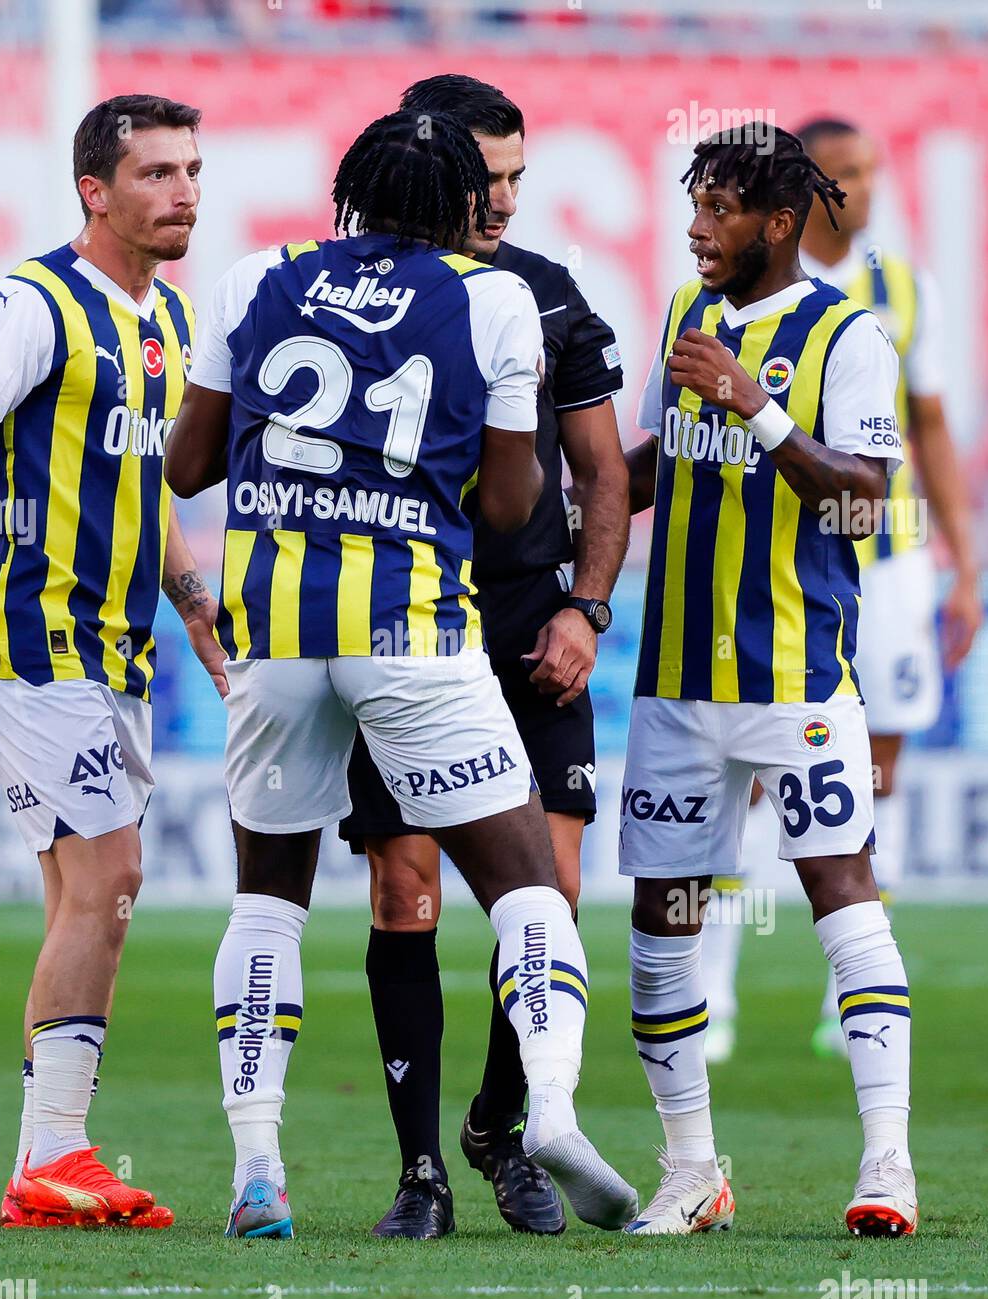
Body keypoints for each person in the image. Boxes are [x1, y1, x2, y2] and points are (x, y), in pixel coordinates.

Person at [165, 107, 638, 1241]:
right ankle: (555, 1112)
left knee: (267, 899)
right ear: (463, 208)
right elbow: (515, 505)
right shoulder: (494, 299)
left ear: (352, 193)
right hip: (413, 636)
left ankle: (258, 1165)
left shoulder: (253, 279)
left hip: (273, 639)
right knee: (529, 884)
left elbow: (184, 467)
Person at [0, 94, 222, 1229]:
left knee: (89, 889)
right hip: (30, 634)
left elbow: (145, 484)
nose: (184, 193)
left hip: (118, 647)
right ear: (95, 191)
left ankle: (43, 1168)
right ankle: (60, 1153)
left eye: (193, 170)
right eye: (158, 173)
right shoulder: (34, 303)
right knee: (109, 876)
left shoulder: (165, 322)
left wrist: (198, 609)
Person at [335, 75, 629, 1239]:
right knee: (403, 891)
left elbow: (602, 475)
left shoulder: (548, 296)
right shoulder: (344, 295)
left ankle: (502, 1129)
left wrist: (586, 609)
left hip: (524, 629)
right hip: (396, 624)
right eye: (482, 179)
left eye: (516, 177)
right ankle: (419, 1174)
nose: (500, 201)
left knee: (547, 893)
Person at [622, 124, 917, 1237]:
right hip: (673, 686)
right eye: (693, 204)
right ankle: (691, 1169)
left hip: (796, 680)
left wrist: (757, 404)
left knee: (839, 887)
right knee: (665, 914)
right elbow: (662, 459)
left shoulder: (846, 336)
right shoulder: (684, 317)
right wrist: (574, 502)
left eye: (719, 208)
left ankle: (886, 1161)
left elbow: (860, 499)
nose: (696, 226)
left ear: (779, 224)